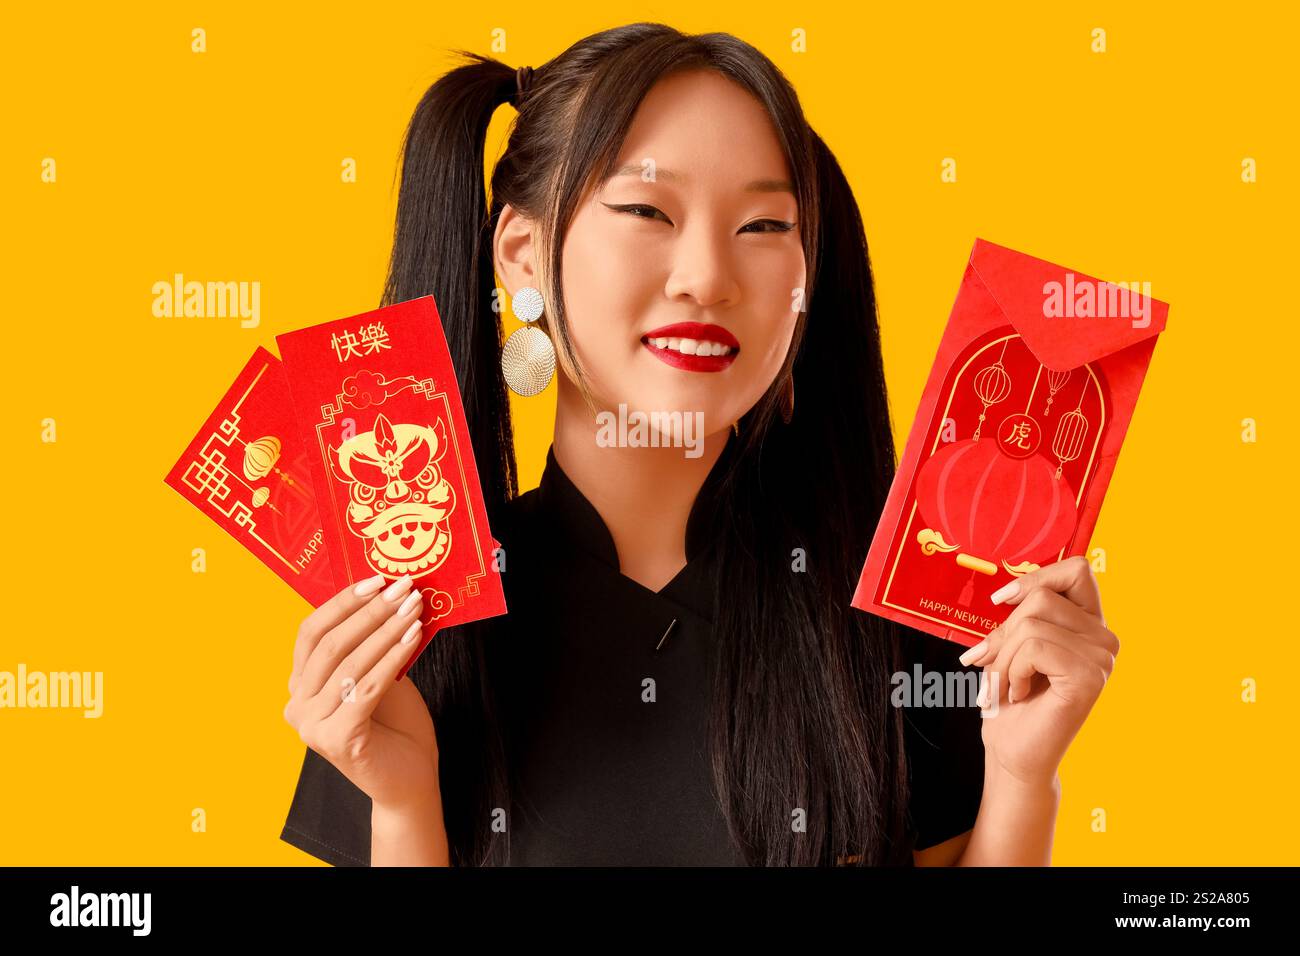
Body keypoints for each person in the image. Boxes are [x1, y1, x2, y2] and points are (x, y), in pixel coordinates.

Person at [279, 22, 1119, 867]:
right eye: (648, 210)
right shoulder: (414, 626)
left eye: (763, 226)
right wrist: (399, 801)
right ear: (524, 255)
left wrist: (1021, 773)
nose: (709, 277)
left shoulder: (906, 611)